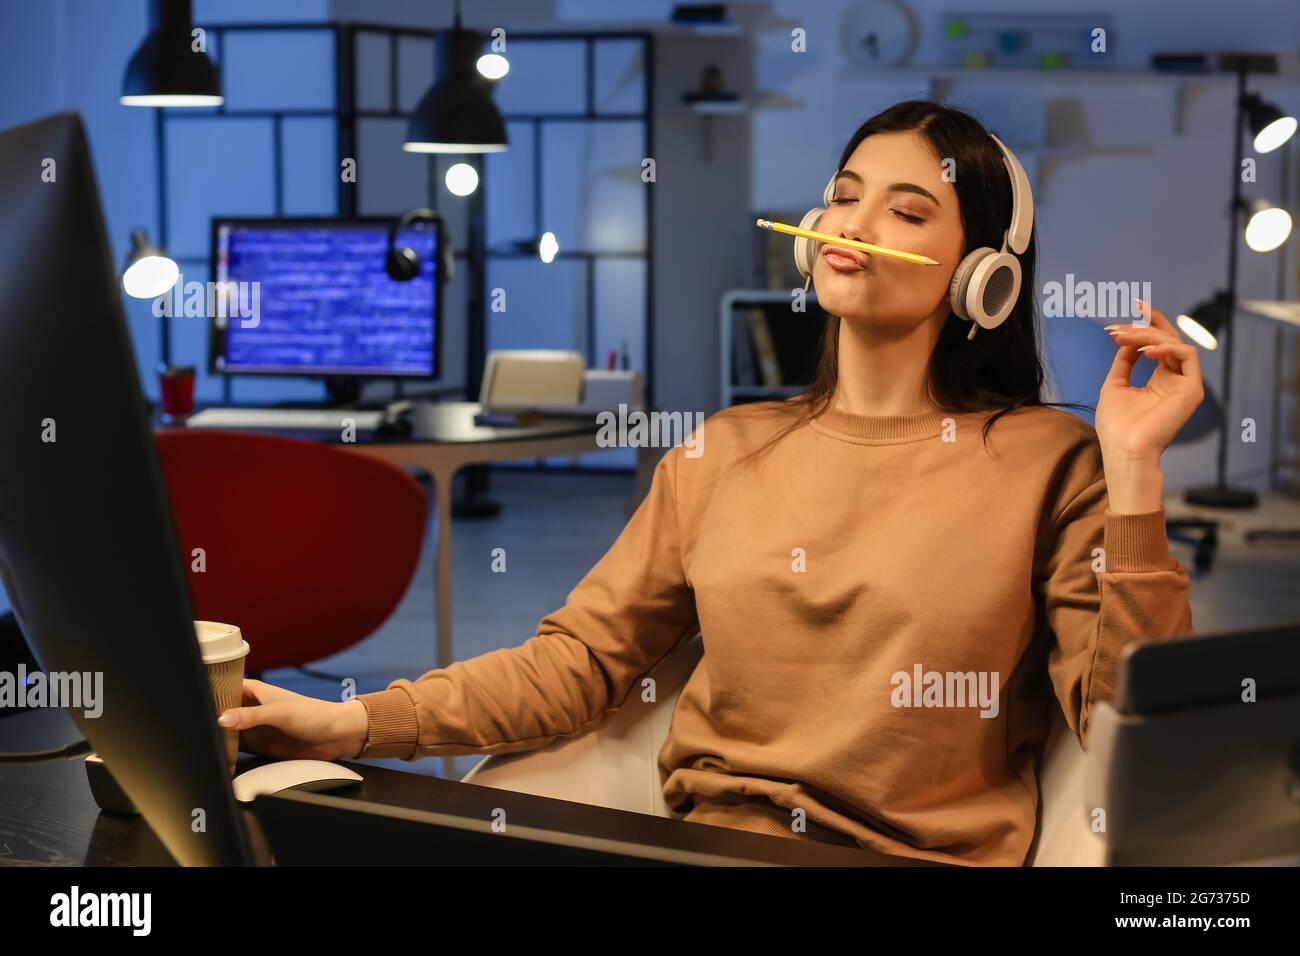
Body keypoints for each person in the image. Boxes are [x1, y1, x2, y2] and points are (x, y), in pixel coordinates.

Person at [218, 100, 1201, 865]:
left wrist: (1133, 470)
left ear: (982, 274)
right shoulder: (724, 448)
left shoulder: (1051, 461)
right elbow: (579, 663)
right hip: (695, 844)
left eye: (908, 209)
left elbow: (1127, 719)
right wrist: (352, 721)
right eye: (845, 194)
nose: (854, 222)